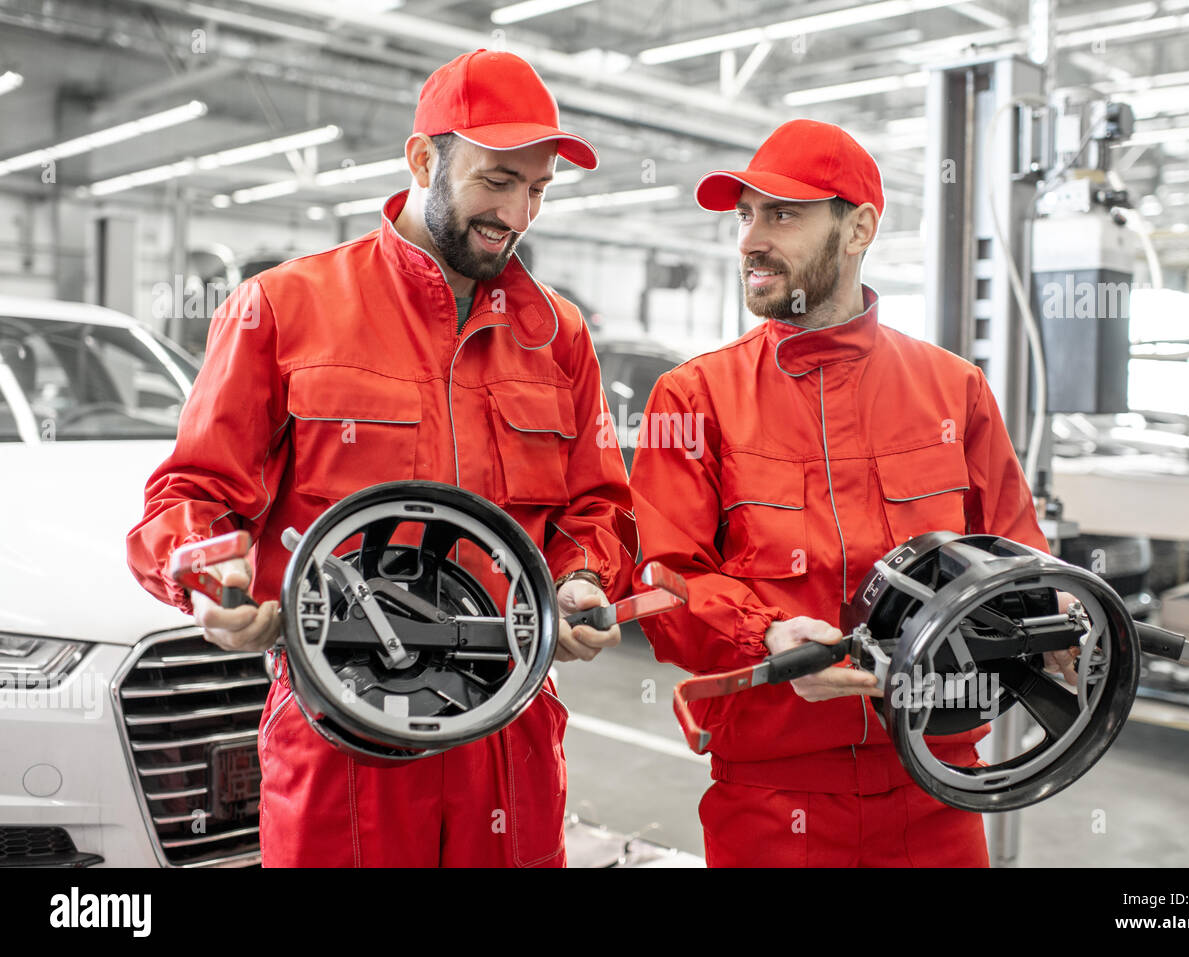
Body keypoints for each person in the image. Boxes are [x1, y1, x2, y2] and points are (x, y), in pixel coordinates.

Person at [126, 49, 637, 867]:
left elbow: (596, 508)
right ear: (423, 158)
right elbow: (191, 494)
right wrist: (208, 575)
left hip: (509, 741)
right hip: (342, 739)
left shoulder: (560, 336)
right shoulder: (282, 310)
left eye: (539, 189)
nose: (520, 213)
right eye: (498, 181)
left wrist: (582, 577)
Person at [631, 119, 1073, 867]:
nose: (749, 239)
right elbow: (663, 586)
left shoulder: (954, 391)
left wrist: (1059, 622)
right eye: (745, 215)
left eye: (781, 214)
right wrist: (764, 634)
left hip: (940, 791)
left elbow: (1020, 558)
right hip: (773, 804)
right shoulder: (695, 396)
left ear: (859, 226)